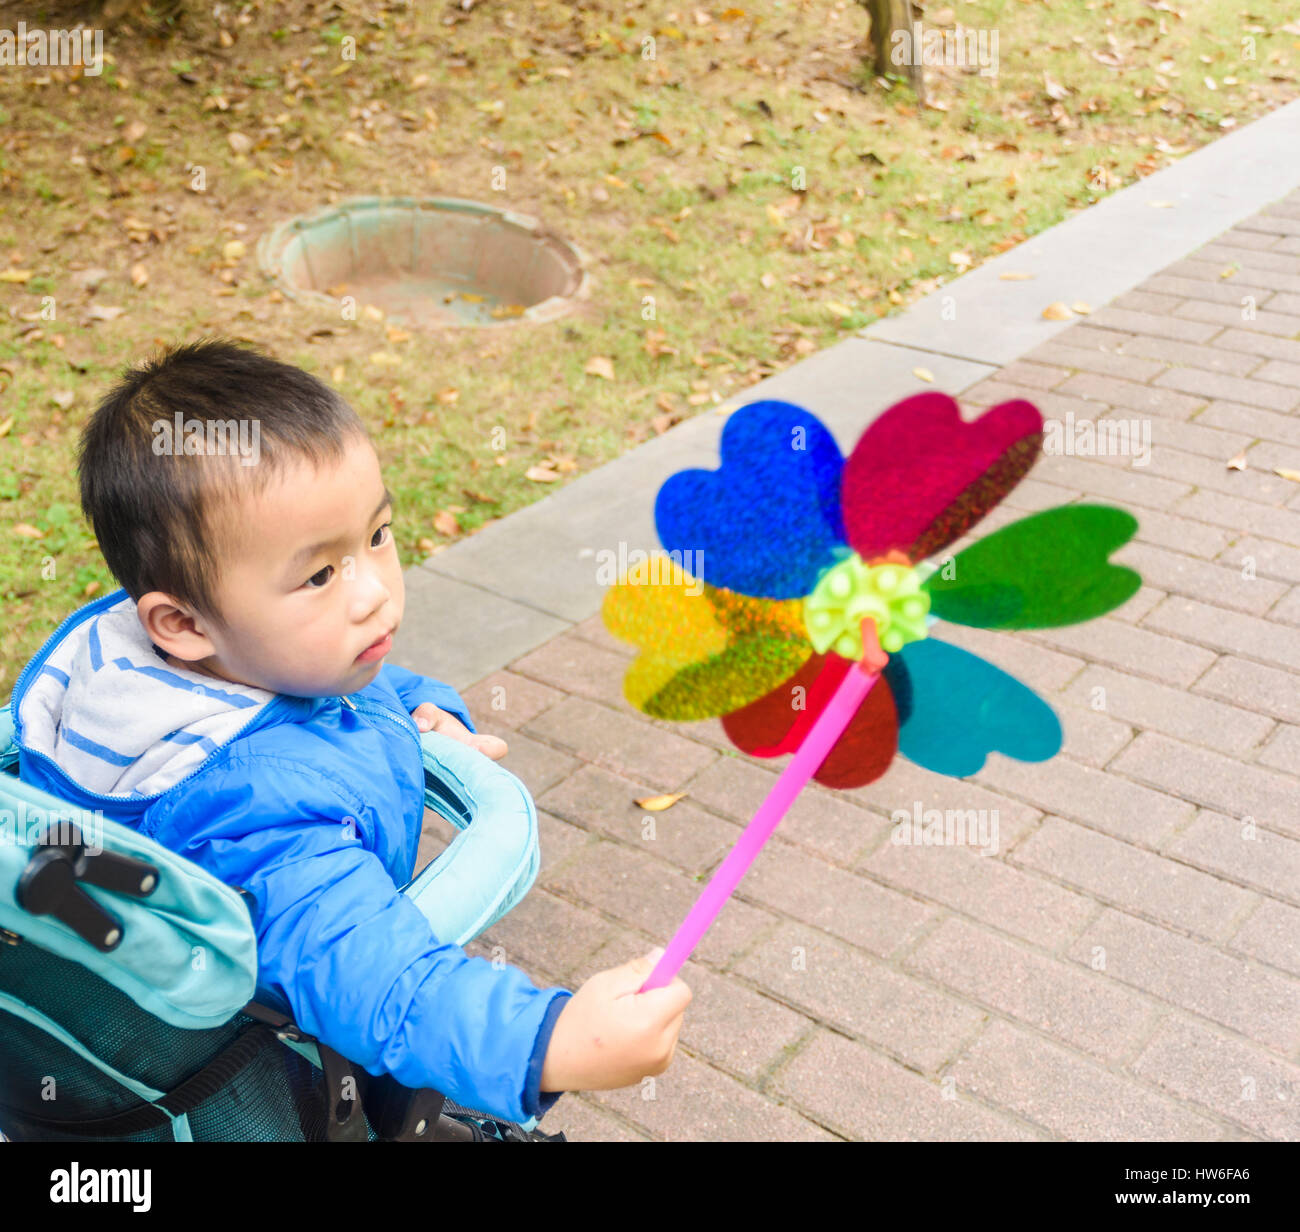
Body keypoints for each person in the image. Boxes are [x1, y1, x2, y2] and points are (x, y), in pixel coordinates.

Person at [11, 338, 690, 1127]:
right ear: (182, 621)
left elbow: (359, 686)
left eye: (377, 534)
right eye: (320, 575)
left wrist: (429, 712)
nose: (374, 593)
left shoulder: (159, 663)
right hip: (289, 1066)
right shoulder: (250, 814)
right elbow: (372, 975)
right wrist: (552, 1042)